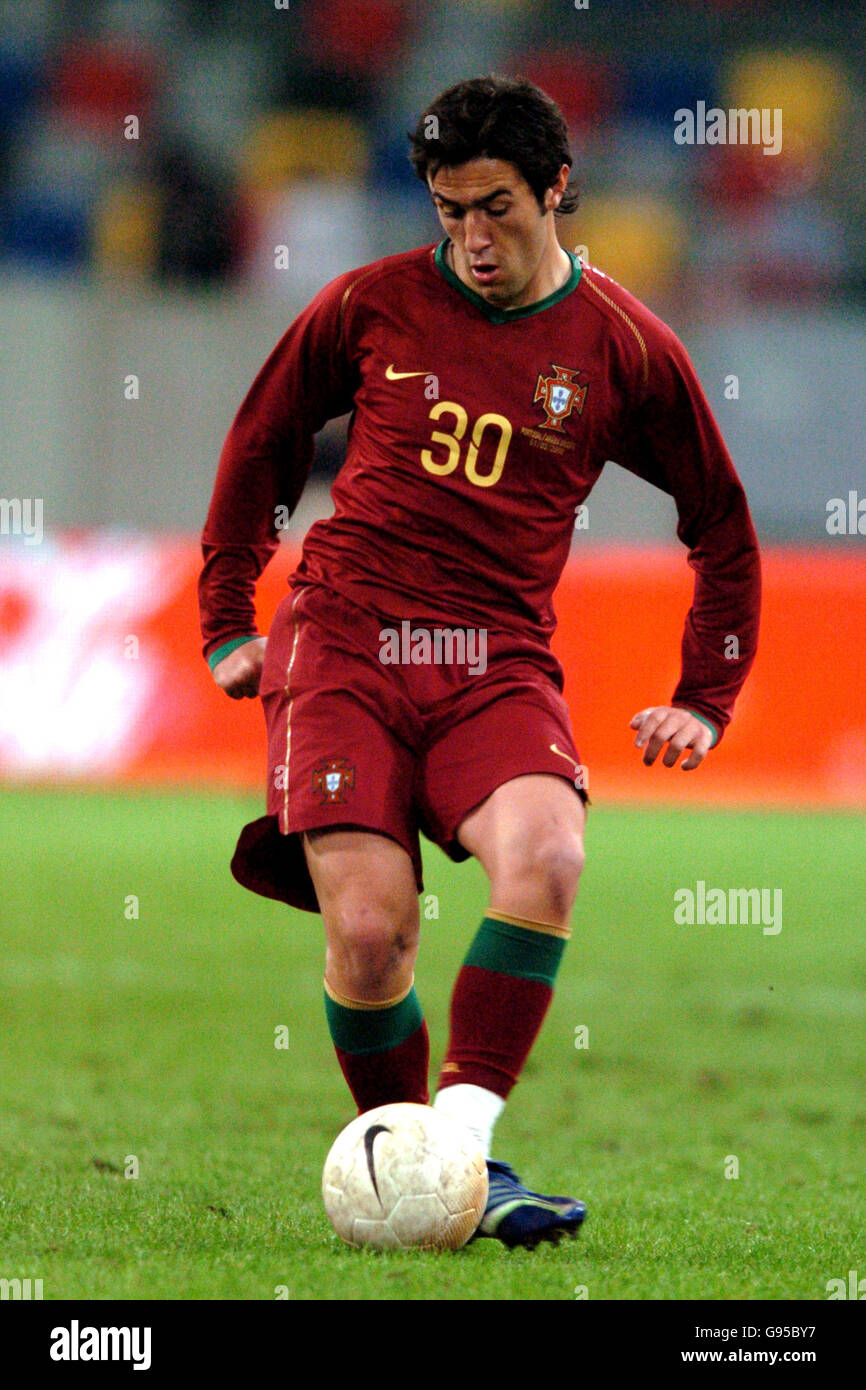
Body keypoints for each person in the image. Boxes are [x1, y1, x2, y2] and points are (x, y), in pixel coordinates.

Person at [198, 74, 761, 1249]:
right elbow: (263, 440)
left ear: (556, 188)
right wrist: (226, 619)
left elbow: (719, 523)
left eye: (494, 205)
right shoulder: (369, 304)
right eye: (447, 209)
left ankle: (451, 1154)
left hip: (492, 655)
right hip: (346, 636)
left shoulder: (619, 347)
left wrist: (702, 697)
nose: (470, 236)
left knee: (548, 855)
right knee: (367, 933)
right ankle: (442, 1170)